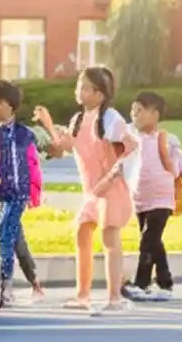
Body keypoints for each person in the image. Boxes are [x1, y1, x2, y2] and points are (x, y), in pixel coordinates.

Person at [42, 67, 138, 313]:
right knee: (83, 234)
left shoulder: (110, 119)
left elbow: (131, 147)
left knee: (109, 239)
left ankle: (115, 298)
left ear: (100, 95)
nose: (80, 91)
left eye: (86, 88)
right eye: (79, 86)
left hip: (111, 190)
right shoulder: (77, 120)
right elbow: (62, 148)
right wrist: (48, 124)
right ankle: (82, 296)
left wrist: (109, 177)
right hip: (91, 193)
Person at [0, 80, 43, 309]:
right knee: (17, 241)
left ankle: (4, 290)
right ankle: (35, 282)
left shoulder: (25, 134)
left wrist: (35, 191)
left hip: (18, 194)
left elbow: (40, 158)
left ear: (11, 106)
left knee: (5, 233)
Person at [122, 91, 177, 302]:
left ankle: (141, 283)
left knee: (148, 241)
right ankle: (165, 282)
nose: (134, 115)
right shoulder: (132, 138)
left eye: (139, 111)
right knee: (154, 242)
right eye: (132, 110)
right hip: (141, 200)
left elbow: (177, 166)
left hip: (161, 199)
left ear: (154, 115)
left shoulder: (165, 139)